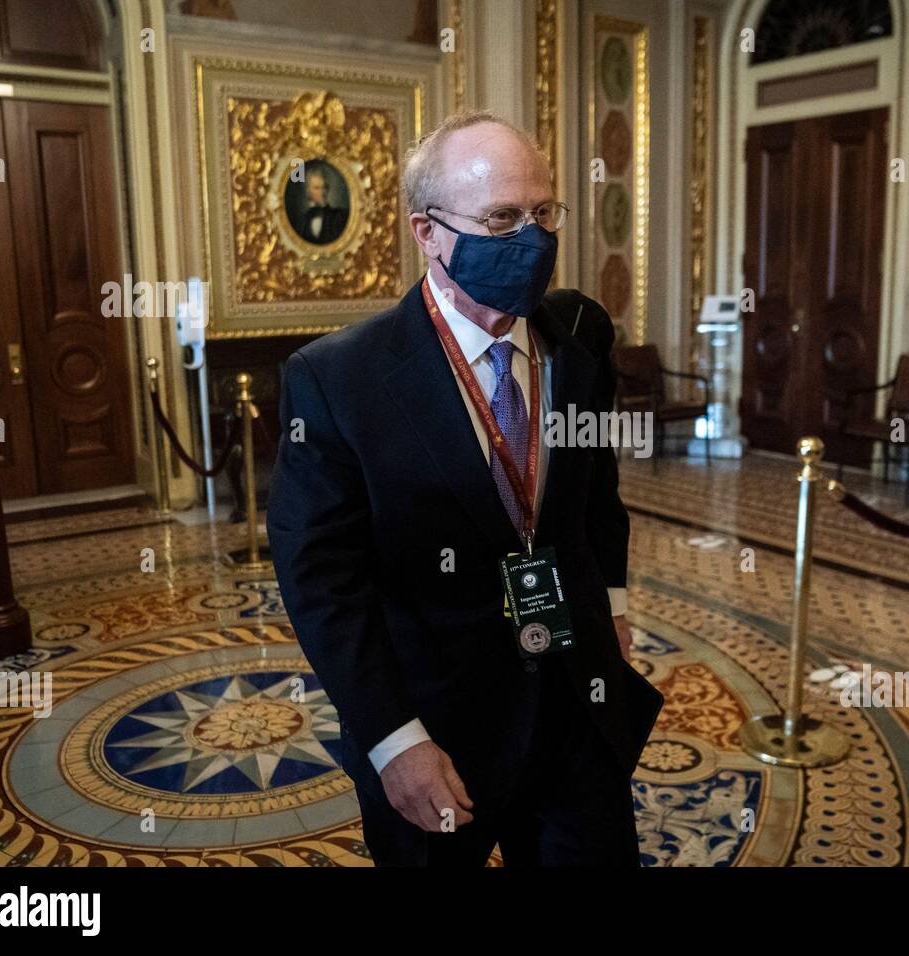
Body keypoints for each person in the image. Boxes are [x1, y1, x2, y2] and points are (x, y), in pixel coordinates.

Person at [267, 109, 663, 866]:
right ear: (427, 232)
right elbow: (321, 578)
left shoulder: (578, 339)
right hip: (436, 727)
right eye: (503, 217)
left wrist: (611, 609)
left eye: (545, 212)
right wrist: (393, 740)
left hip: (576, 705)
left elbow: (595, 497)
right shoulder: (337, 380)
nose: (534, 238)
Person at [293, 168, 348, 244]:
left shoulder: (340, 217)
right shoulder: (301, 221)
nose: (322, 192)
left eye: (324, 187)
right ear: (308, 191)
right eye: (317, 188)